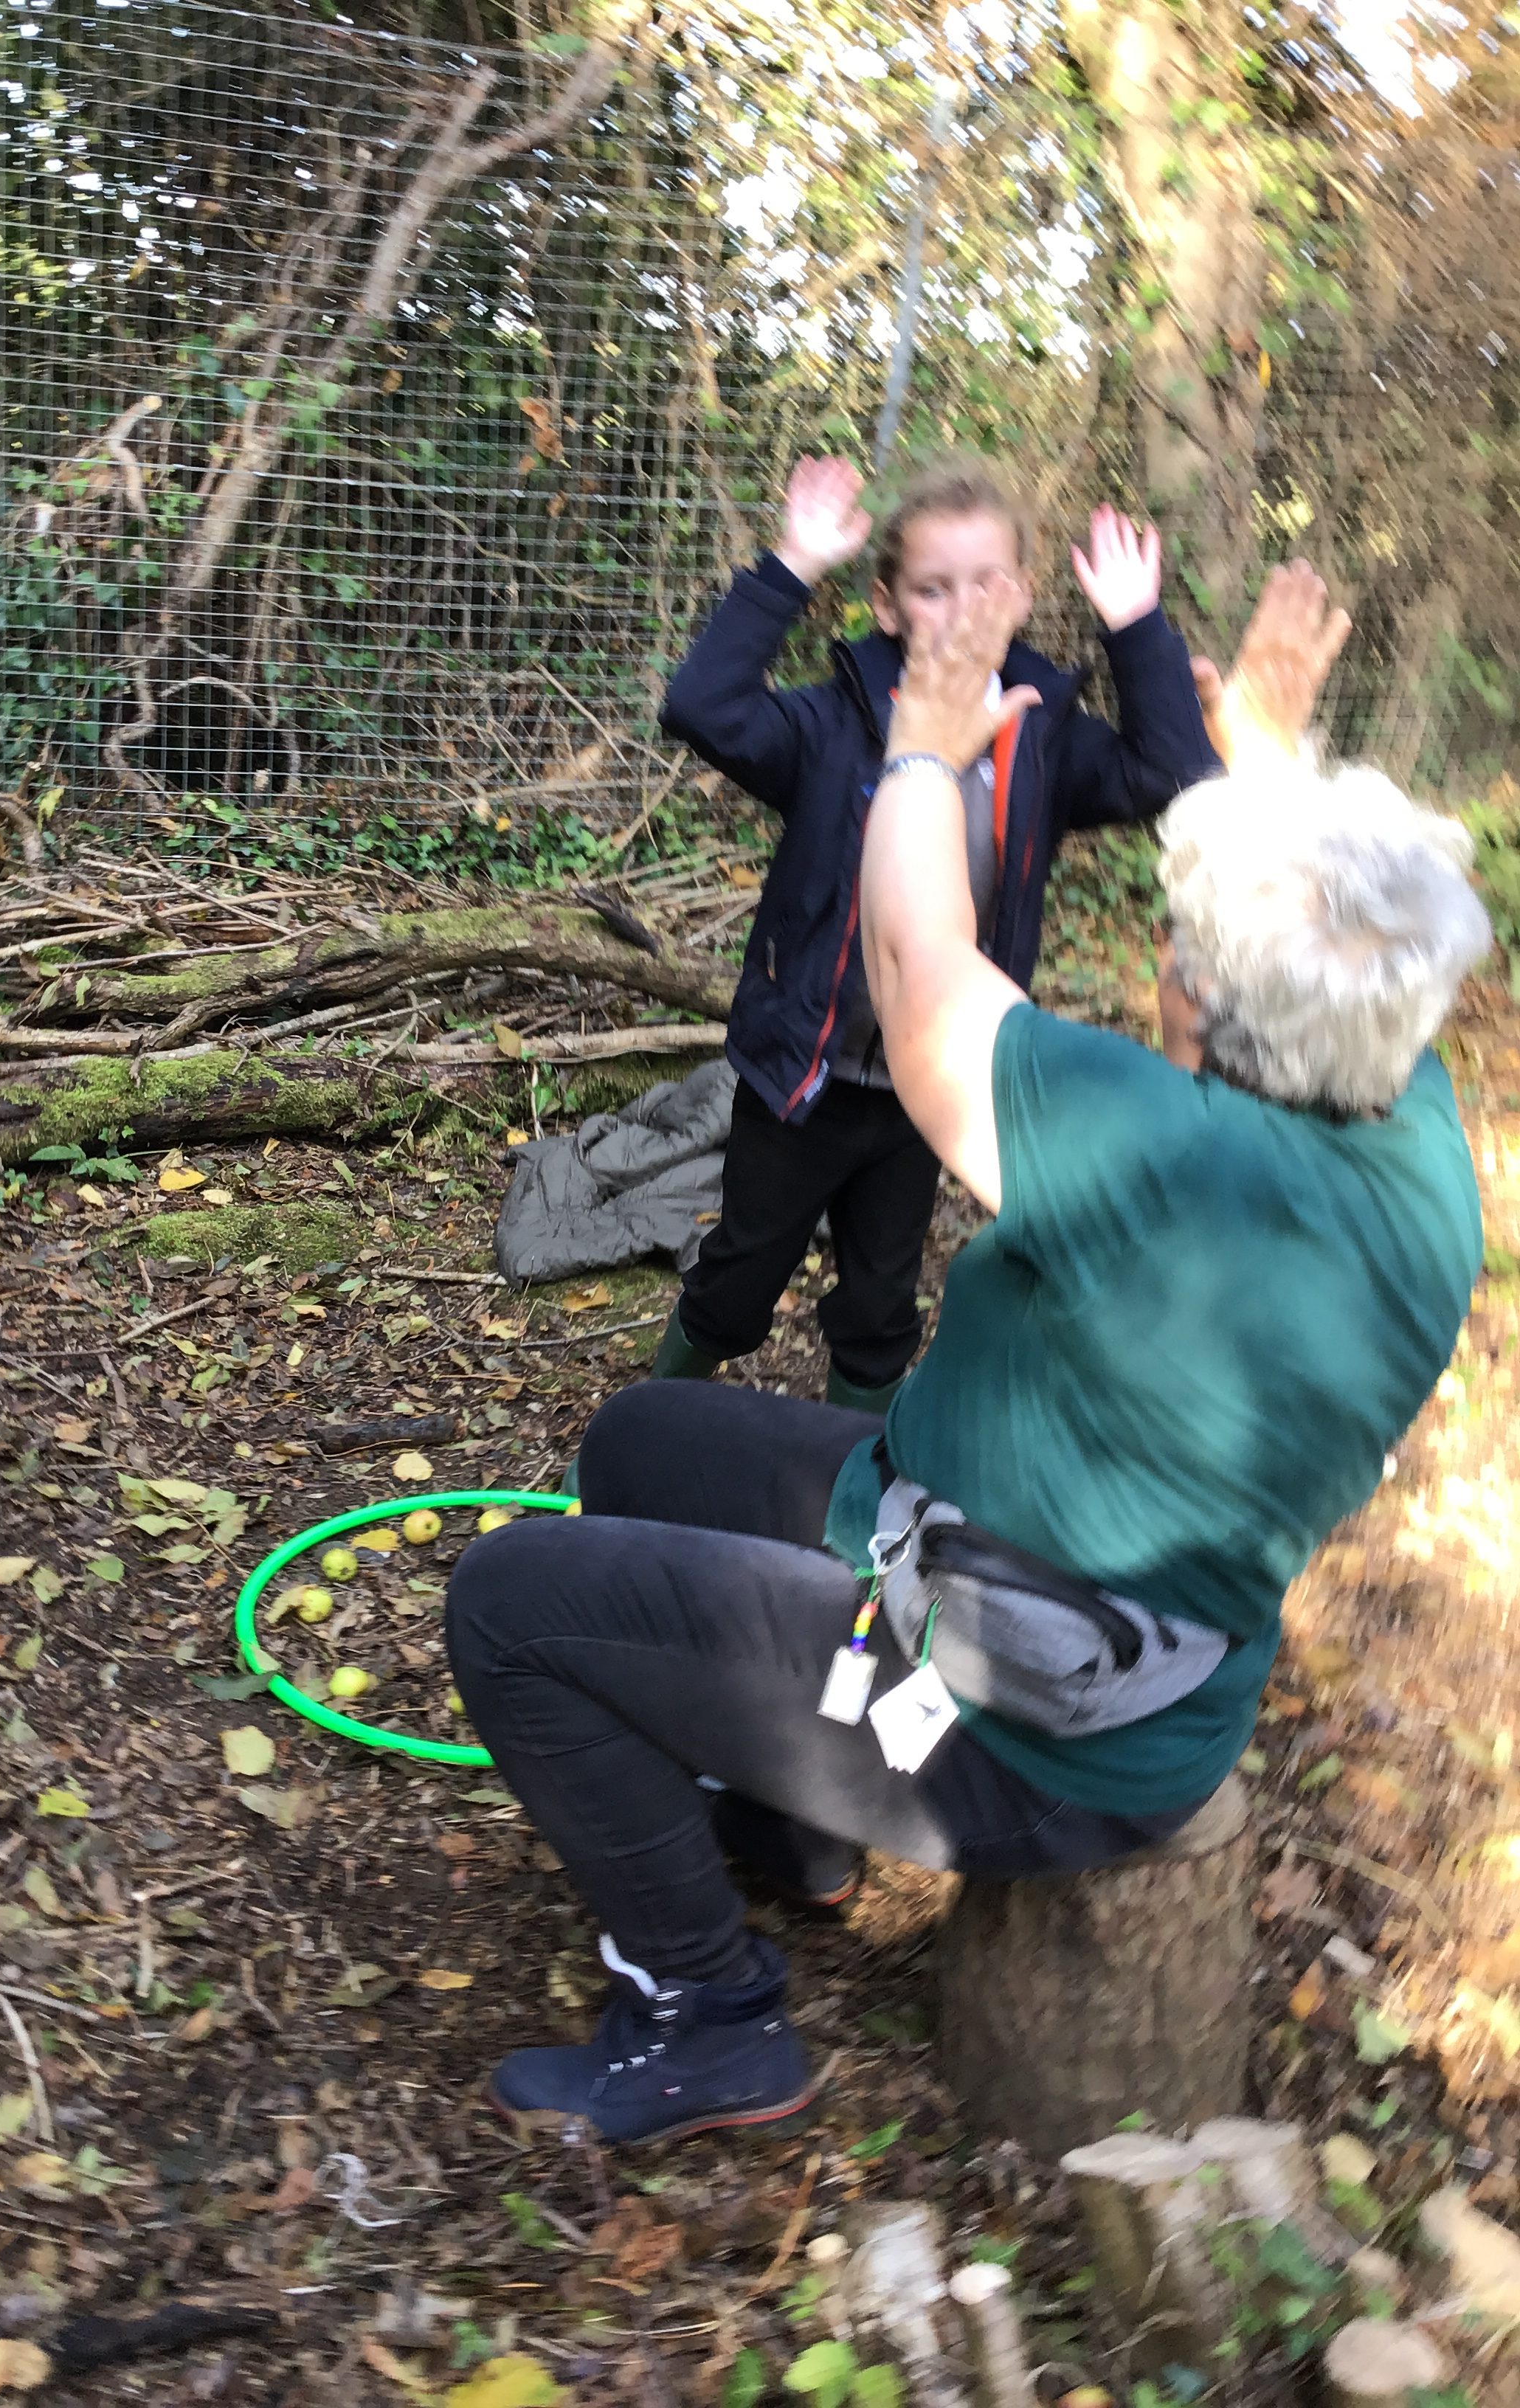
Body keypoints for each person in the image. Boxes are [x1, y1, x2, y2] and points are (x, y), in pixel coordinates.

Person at [444, 560, 1488, 2147]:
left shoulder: (1156, 1149)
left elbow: (921, 974)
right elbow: (1337, 935)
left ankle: (705, 2016)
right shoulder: (1406, 1136)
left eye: (1182, 951)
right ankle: (795, 1828)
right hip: (966, 1549)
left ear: (1190, 1003)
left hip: (1009, 1724)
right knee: (642, 1442)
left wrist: (923, 748)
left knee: (511, 1606)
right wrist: (1266, 748)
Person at [646, 455, 1220, 1415]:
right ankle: (647, 1425)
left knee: (880, 1304)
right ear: (887, 605)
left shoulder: (1040, 735)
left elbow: (1176, 774)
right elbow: (702, 707)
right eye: (931, 589)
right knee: (736, 1283)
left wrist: (1137, 628)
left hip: (933, 1085)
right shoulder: (836, 723)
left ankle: (855, 1502)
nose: (959, 611)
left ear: (1025, 597)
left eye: (986, 585)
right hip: (804, 1075)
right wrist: (791, 562)